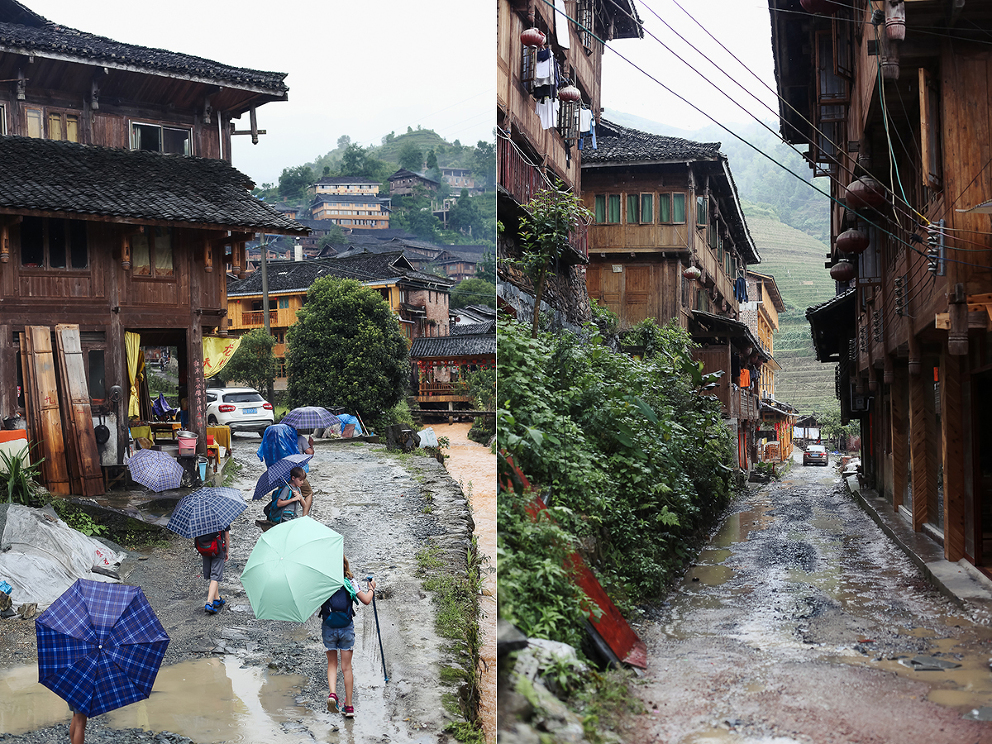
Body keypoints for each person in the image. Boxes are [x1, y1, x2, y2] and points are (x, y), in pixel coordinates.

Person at [322, 555, 375, 718]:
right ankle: (349, 706)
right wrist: (371, 588)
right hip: (346, 628)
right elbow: (366, 600)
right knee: (346, 668)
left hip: (329, 627)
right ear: (345, 564)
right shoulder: (350, 582)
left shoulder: (324, 582)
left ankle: (332, 695)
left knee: (332, 664)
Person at [202, 526, 230, 614]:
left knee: (212, 575)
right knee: (215, 576)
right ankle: (209, 603)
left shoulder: (199, 517)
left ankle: (217, 599)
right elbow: (227, 537)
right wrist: (227, 552)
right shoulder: (222, 518)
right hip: (218, 548)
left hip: (205, 548)